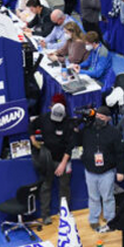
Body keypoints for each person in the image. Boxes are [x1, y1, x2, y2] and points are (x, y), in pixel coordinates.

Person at [31, 94, 76, 224]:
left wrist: (63, 164)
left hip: (63, 159)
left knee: (65, 187)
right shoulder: (44, 118)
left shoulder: (68, 123)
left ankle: (64, 212)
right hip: (47, 159)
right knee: (46, 186)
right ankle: (45, 215)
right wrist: (33, 139)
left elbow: (70, 146)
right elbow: (31, 126)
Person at [80, 106, 124, 232]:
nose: (98, 119)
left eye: (102, 117)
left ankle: (110, 219)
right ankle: (93, 219)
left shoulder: (114, 132)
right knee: (93, 197)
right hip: (90, 170)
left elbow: (120, 153)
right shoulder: (88, 129)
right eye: (97, 116)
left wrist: (120, 171)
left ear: (108, 119)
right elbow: (77, 139)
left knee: (108, 197)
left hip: (107, 171)